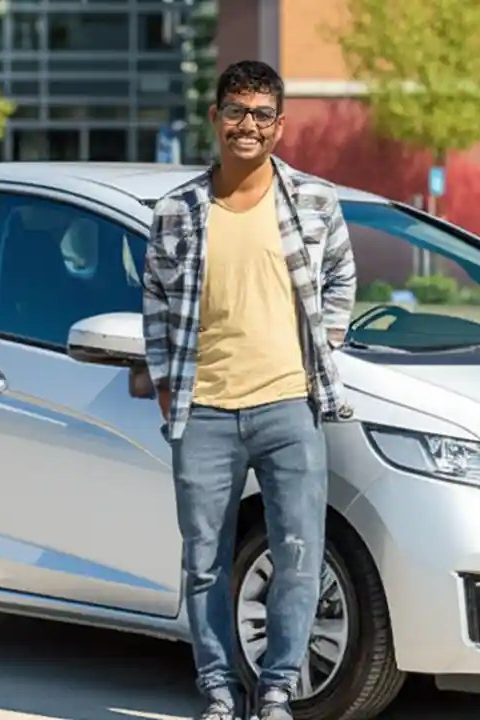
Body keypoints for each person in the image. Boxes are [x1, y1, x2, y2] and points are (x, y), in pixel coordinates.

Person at [141, 60, 357, 720]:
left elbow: (342, 278)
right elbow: (153, 298)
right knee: (204, 560)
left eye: (262, 114)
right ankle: (215, 687)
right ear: (215, 118)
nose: (248, 125)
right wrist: (165, 385)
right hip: (203, 409)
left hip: (289, 407)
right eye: (236, 111)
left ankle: (276, 686)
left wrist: (325, 349)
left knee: (298, 554)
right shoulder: (179, 210)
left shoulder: (315, 202)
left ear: (279, 126)